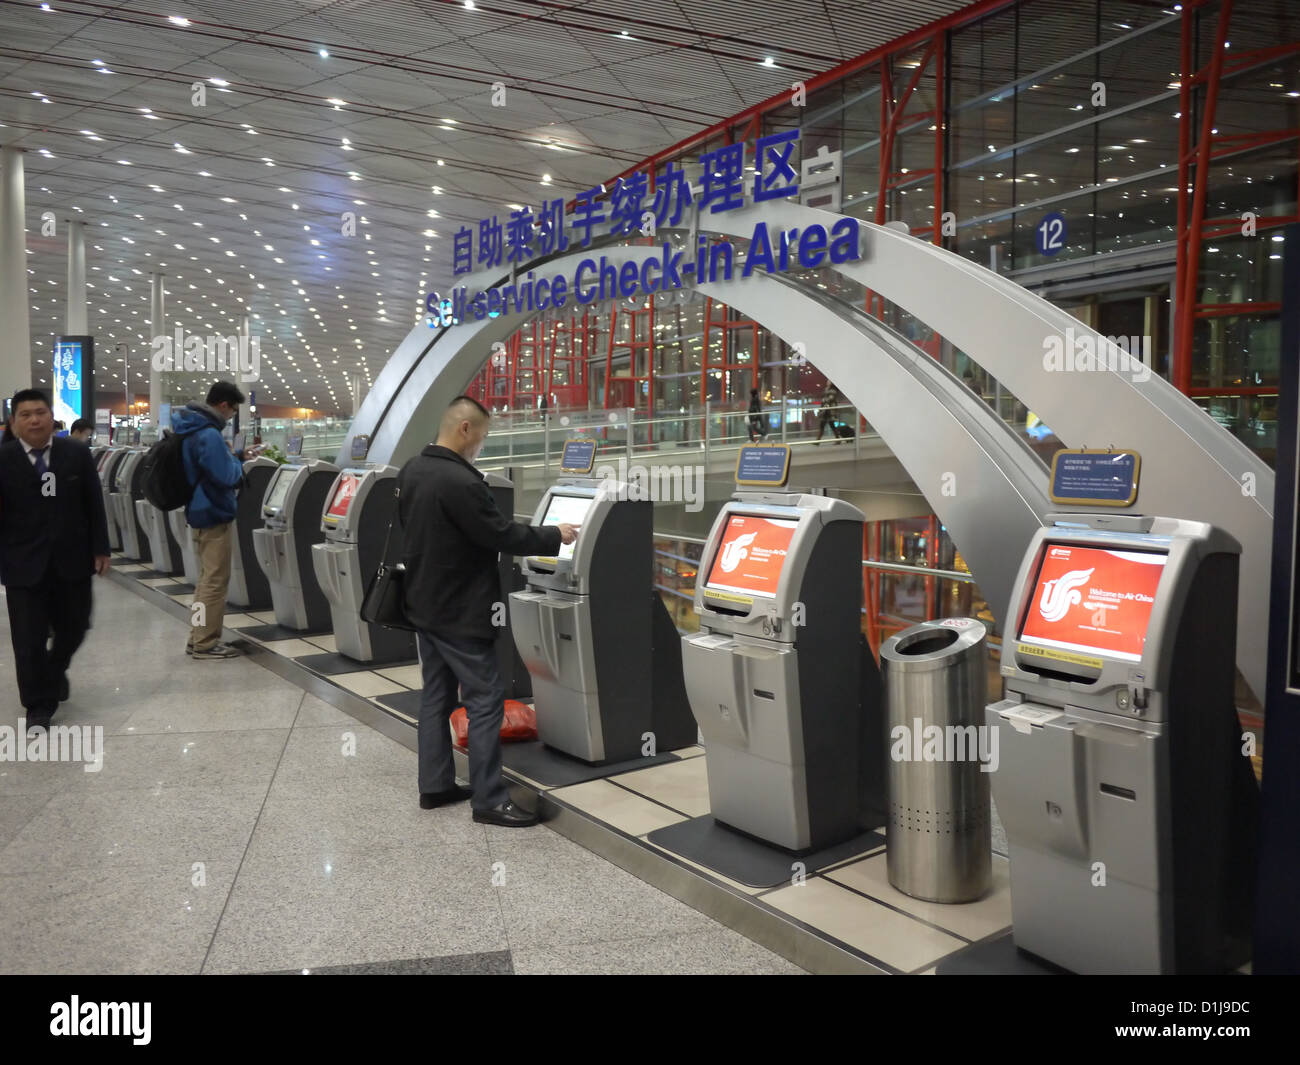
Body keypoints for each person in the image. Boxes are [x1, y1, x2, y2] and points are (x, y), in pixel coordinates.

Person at [398, 395, 579, 827]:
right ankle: (490, 800)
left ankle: (435, 785)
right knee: (484, 700)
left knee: (436, 698)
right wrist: (556, 533)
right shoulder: (460, 482)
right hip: (460, 610)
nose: (482, 441)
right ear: (465, 429)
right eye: (482, 433)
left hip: (423, 603)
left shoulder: (413, 469)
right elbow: (500, 534)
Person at [0, 388, 110, 729]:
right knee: (28, 638)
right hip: (22, 564)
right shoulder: (3, 461)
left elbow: (94, 503)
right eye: (25, 414)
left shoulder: (75, 453)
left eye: (40, 412)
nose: (34, 419)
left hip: (71, 559)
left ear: (52, 418)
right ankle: (38, 704)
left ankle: (55, 667)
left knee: (75, 627)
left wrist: (101, 548)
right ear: (14, 422)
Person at [172, 381, 253, 660]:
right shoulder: (208, 434)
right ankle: (206, 643)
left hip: (198, 509)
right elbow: (226, 476)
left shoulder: (191, 428)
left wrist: (232, 456)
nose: (231, 416)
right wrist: (237, 462)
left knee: (205, 581)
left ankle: (196, 638)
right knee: (215, 582)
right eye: (232, 410)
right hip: (213, 511)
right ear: (222, 405)